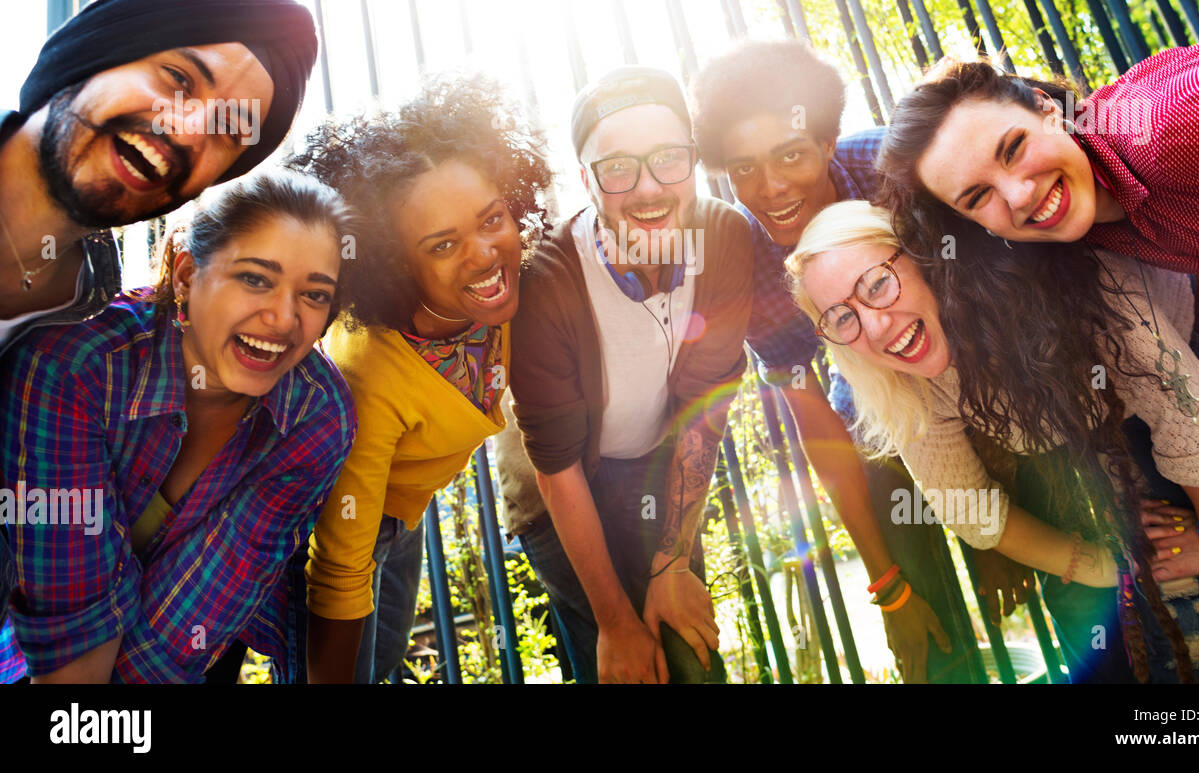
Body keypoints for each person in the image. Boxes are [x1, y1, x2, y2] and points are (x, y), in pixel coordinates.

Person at [786, 200, 1199, 683]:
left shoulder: (1023, 278)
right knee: (1186, 615)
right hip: (1118, 421)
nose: (875, 325)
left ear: (921, 254)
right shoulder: (901, 381)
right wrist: (1093, 563)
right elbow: (965, 505)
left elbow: (1183, 407)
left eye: (877, 284)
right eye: (842, 318)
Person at [0, 0, 318, 625]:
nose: (187, 130)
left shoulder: (101, 325)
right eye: (177, 78)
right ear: (95, 52)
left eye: (231, 133)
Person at [688, 38, 989, 683]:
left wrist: (996, 516)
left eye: (789, 154)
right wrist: (888, 585)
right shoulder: (754, 264)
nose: (767, 189)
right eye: (741, 169)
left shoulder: (893, 167)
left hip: (991, 374)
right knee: (932, 646)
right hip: (883, 415)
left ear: (827, 142)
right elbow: (817, 420)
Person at [0, 168, 356, 682]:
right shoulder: (78, 364)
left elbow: (200, 609)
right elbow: (70, 627)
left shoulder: (317, 415)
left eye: (314, 294)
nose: (284, 318)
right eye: (255, 278)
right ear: (186, 275)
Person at [283, 74, 552, 683]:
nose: (484, 254)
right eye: (442, 245)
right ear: (394, 261)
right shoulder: (366, 372)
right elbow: (339, 565)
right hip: (337, 526)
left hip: (403, 516)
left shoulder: (521, 285)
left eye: (492, 219)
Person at [497, 66, 752, 683]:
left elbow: (706, 401)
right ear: (585, 179)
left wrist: (672, 562)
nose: (648, 189)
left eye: (669, 158)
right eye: (617, 168)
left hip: (653, 460)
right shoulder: (547, 280)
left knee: (690, 658)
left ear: (692, 161)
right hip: (556, 487)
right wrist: (615, 622)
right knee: (620, 660)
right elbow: (556, 470)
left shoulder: (724, 236)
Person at [875, 34, 1199, 329]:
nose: (1019, 195)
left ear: (1047, 110)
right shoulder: (1083, 225)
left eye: (1013, 149)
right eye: (978, 195)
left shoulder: (1172, 133)